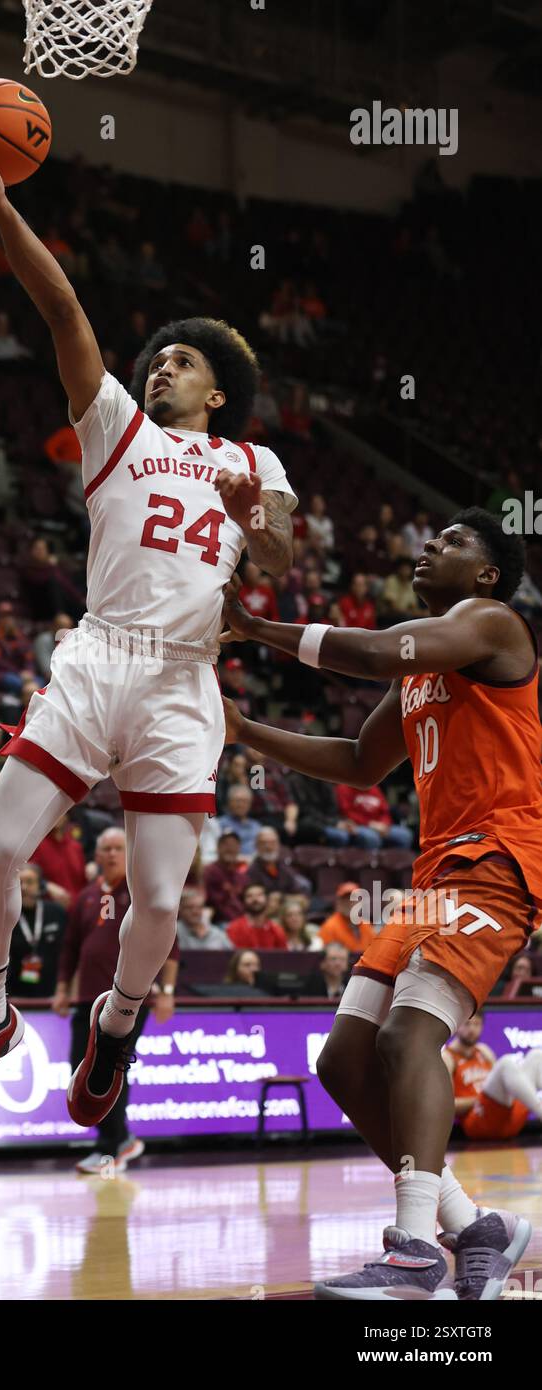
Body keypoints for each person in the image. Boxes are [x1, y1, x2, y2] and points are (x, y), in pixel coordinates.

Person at [0, 117, 296, 1136]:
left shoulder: (255, 461)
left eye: (180, 362)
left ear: (215, 392)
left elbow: (273, 564)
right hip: (99, 655)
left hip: (185, 679)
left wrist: (248, 512)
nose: (161, 369)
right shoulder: (112, 426)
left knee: (153, 894)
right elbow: (60, 306)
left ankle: (118, 1023)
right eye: (157, 359)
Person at [220, 505, 539, 1299]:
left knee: (407, 1038)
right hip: (435, 874)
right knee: (341, 1061)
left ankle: (413, 1249)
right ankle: (474, 1227)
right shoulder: (423, 672)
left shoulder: (491, 625)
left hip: (500, 858)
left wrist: (259, 630)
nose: (430, 544)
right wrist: (243, 730)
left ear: (489, 574)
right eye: (429, 536)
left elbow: (373, 649)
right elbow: (362, 762)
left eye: (454, 542)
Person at [51, 827, 176, 1174]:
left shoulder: (140, 894)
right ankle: (119, 1139)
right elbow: (71, 948)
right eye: (105, 848)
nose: (110, 854)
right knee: (81, 1066)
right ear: (96, 855)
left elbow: (171, 946)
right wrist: (63, 988)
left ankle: (110, 1147)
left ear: (129, 853)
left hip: (129, 1000)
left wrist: (167, 992)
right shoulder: (86, 897)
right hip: (86, 997)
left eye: (118, 848)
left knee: (109, 1068)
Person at [444, 1012, 542, 1143]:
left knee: (537, 1056)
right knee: (506, 1062)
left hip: (506, 1117)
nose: (472, 1029)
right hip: (478, 1120)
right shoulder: (448, 1057)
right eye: (467, 1024)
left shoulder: (484, 1051)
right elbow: (447, 1106)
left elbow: (504, 1083)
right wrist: (478, 1099)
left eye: (476, 1024)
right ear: (457, 1026)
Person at [8, 863, 66, 999]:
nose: (24, 888)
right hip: (14, 996)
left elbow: (68, 952)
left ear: (40, 885)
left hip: (51, 994)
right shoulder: (6, 916)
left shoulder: (56, 912)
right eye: (19, 883)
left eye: (30, 882)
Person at [0, 600, 36, 696]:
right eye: (4, 615)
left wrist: (29, 671)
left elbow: (29, 658)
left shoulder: (20, 636)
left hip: (20, 675)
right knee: (19, 684)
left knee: (41, 683)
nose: (8, 618)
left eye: (11, 615)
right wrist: (20, 673)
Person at [30, 813, 87, 910]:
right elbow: (26, 875)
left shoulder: (76, 847)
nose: (56, 814)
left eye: (60, 811)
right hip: (48, 910)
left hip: (77, 911)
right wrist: (46, 886)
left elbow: (82, 882)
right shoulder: (36, 845)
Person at [335, 781, 414, 849]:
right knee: (371, 837)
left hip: (378, 826)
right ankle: (370, 865)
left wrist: (384, 825)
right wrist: (370, 824)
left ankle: (394, 864)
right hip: (357, 825)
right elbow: (347, 813)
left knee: (405, 835)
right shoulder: (343, 788)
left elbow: (385, 811)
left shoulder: (374, 789)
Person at [245, 826, 310, 897]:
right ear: (256, 845)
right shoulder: (252, 870)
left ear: (278, 845)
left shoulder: (283, 865)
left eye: (272, 842)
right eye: (263, 843)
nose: (268, 847)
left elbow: (296, 888)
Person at [317, 882, 377, 952]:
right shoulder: (330, 927)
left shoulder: (367, 925)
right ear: (338, 902)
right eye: (345, 899)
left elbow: (375, 951)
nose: (349, 903)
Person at [202, 831, 247, 924]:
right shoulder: (209, 872)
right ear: (217, 848)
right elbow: (214, 904)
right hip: (218, 923)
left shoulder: (242, 877)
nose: (230, 848)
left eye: (234, 845)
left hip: (242, 924)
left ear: (239, 849)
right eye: (225, 844)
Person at [226, 883, 287, 949]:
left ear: (267, 900)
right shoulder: (234, 928)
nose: (255, 899)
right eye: (249, 896)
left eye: (259, 895)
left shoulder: (277, 930)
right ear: (243, 901)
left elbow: (283, 957)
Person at [216, 784, 261, 861]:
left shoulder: (256, 826)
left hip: (253, 866)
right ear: (229, 803)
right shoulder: (219, 824)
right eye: (237, 801)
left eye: (244, 801)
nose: (240, 805)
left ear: (250, 804)